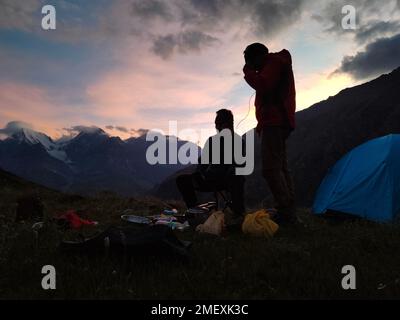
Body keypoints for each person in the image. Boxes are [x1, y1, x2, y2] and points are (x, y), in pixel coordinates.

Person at [243, 42, 298, 225]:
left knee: (270, 169)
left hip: (274, 122)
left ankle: (285, 212)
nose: (252, 67)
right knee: (281, 167)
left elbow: (264, 85)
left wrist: (248, 72)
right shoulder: (276, 63)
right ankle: (288, 210)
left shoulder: (273, 64)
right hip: (278, 122)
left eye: (250, 62)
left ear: (257, 57)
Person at [176, 109, 246, 229]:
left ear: (229, 124)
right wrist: (200, 173)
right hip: (209, 179)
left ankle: (239, 214)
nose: (217, 127)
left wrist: (228, 173)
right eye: (216, 125)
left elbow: (240, 166)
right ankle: (195, 212)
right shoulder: (212, 141)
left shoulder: (240, 142)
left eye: (220, 124)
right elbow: (202, 163)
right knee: (182, 179)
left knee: (237, 176)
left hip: (228, 181)